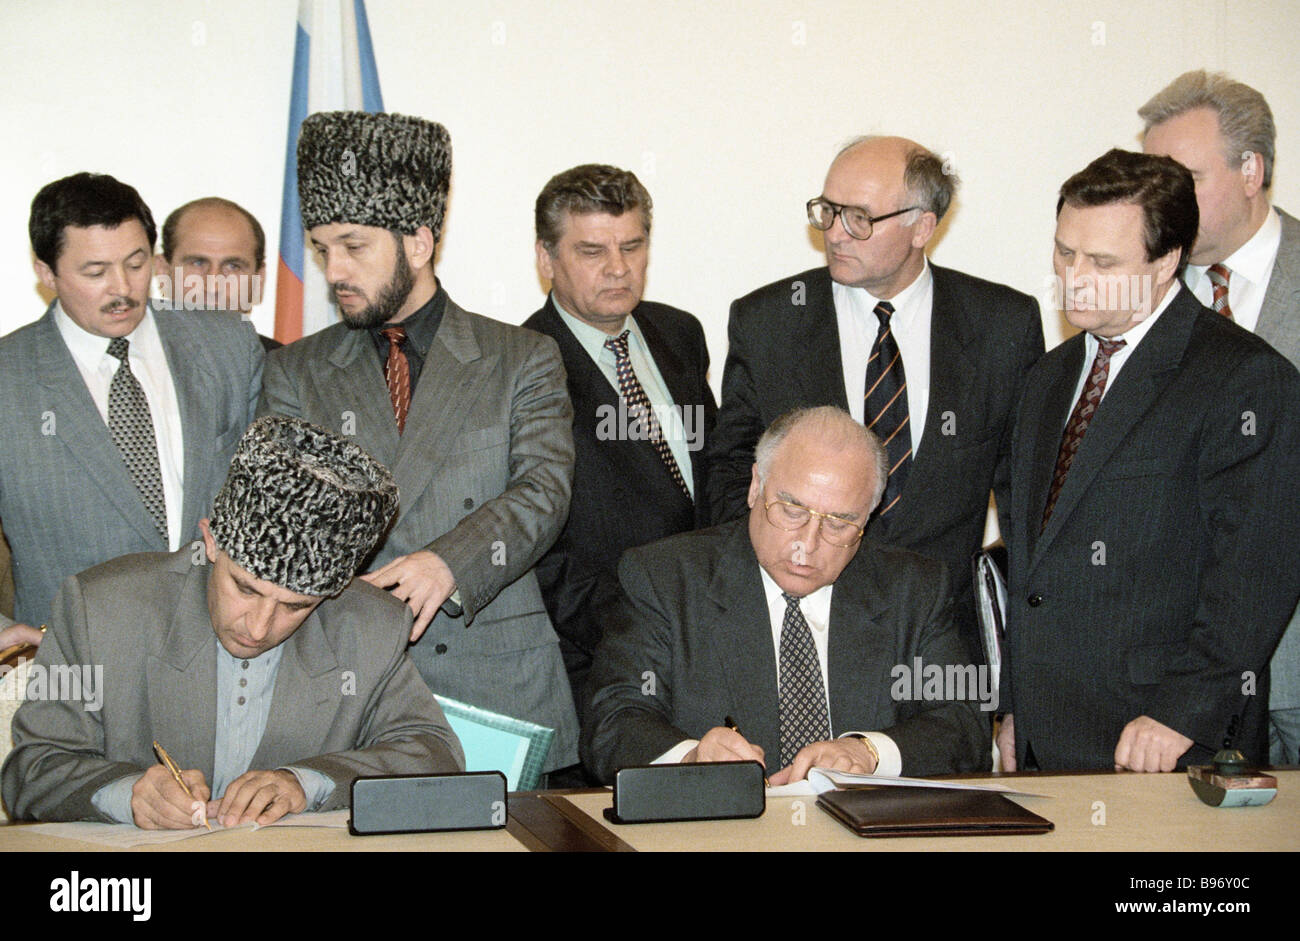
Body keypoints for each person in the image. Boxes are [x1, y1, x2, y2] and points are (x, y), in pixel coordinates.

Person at [259, 111, 579, 772]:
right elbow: (285, 521)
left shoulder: (521, 356)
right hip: (355, 693)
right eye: (321, 249)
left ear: (418, 241)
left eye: (353, 246)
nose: (334, 270)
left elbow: (545, 490)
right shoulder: (295, 371)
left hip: (497, 684)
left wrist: (450, 563)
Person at [2, 416, 464, 826]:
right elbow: (31, 770)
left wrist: (307, 783)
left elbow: (435, 754)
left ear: (333, 591)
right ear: (210, 542)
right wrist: (127, 794)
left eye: (296, 606)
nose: (259, 628)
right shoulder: (97, 608)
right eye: (245, 589)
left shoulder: (371, 625)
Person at [998, 149, 1300, 772]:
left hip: (1159, 739)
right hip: (1040, 736)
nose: (1073, 277)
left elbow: (1256, 574)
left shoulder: (1243, 378)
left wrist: (1183, 712)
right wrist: (1012, 706)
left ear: (1166, 262)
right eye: (1064, 251)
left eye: (1103, 261)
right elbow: (1028, 561)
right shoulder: (1048, 378)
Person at [707, 136, 1044, 662]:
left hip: (942, 644)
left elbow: (1027, 503)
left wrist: (1019, 685)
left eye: (860, 217)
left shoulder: (1002, 323)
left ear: (923, 225)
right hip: (798, 637)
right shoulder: (768, 321)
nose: (836, 233)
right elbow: (730, 477)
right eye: (829, 210)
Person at [583, 406, 989, 785]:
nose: (807, 545)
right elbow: (613, 721)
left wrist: (868, 753)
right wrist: (691, 760)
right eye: (792, 511)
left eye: (839, 524)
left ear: (869, 515)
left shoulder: (913, 589)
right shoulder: (666, 578)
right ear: (756, 486)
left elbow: (961, 723)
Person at [0, 172, 263, 635]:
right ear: (46, 272)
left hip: (214, 656)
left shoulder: (228, 347)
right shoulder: (9, 377)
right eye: (96, 272)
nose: (122, 288)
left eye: (136, 263)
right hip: (72, 663)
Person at [1140, 69, 1300, 764]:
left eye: (1183, 178)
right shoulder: (1147, 303)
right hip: (1183, 688)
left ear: (1251, 170)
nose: (1164, 203)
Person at [522, 164, 717, 732]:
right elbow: (539, 552)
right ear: (545, 258)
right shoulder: (520, 364)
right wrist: (648, 633)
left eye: (632, 246)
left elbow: (711, 481)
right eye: (591, 251)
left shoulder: (680, 333)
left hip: (713, 650)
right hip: (603, 666)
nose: (618, 267)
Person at [156, 196, 281, 350]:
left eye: (233, 266)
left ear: (258, 280)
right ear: (163, 271)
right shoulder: (128, 362)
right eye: (197, 263)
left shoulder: (288, 369)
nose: (213, 287)